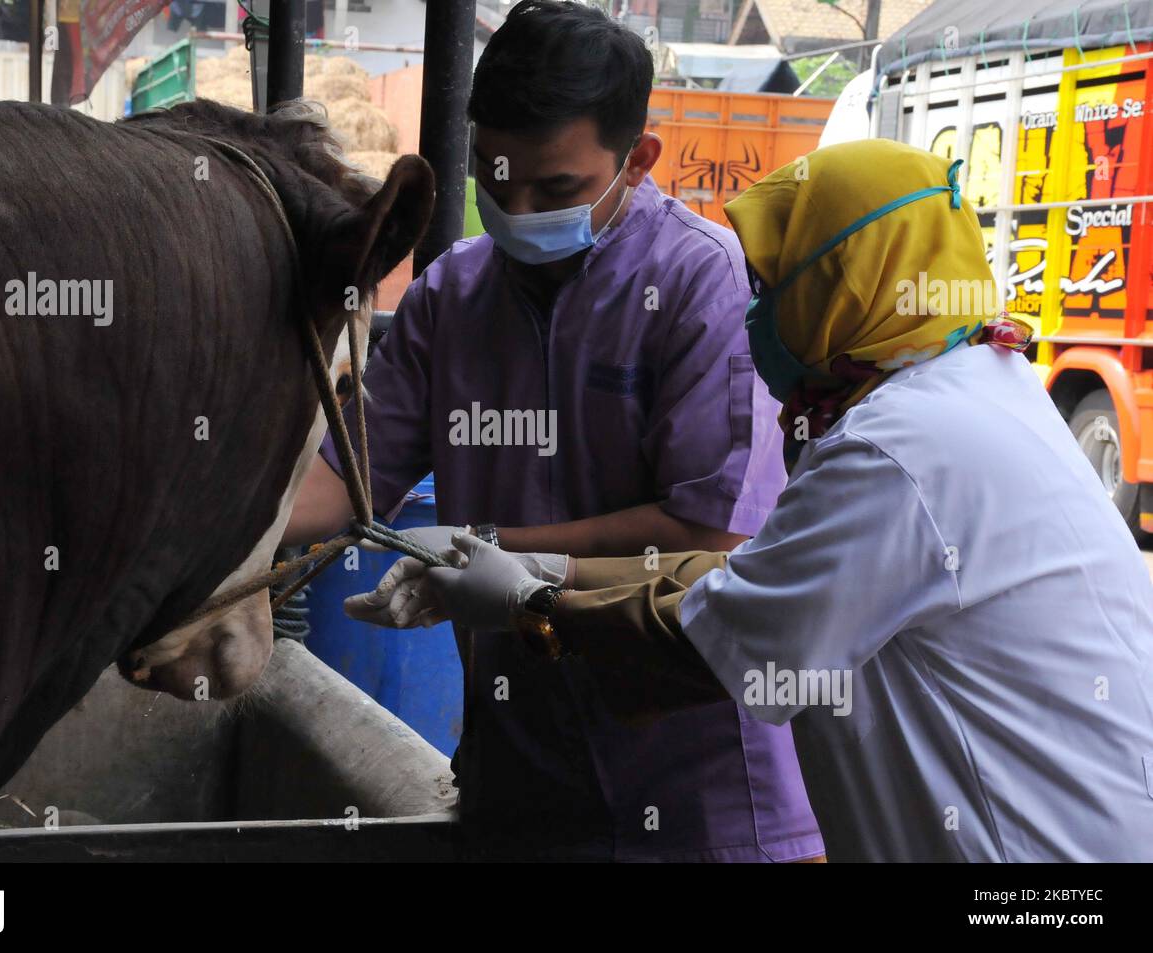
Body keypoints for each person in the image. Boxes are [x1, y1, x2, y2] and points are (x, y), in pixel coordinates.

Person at [350, 139, 1153, 862]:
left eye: (773, 286)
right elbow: (755, 577)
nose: (755, 312)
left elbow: (727, 642)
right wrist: (550, 563)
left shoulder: (896, 450)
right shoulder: (978, 388)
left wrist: (532, 600)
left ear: (844, 284)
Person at [281, 1, 824, 861]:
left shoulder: (698, 283)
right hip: (521, 775)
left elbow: (709, 529)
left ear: (637, 161)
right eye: (495, 185)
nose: (517, 210)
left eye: (555, 189)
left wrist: (489, 552)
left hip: (694, 784)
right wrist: (224, 536)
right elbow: (347, 478)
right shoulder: (451, 297)